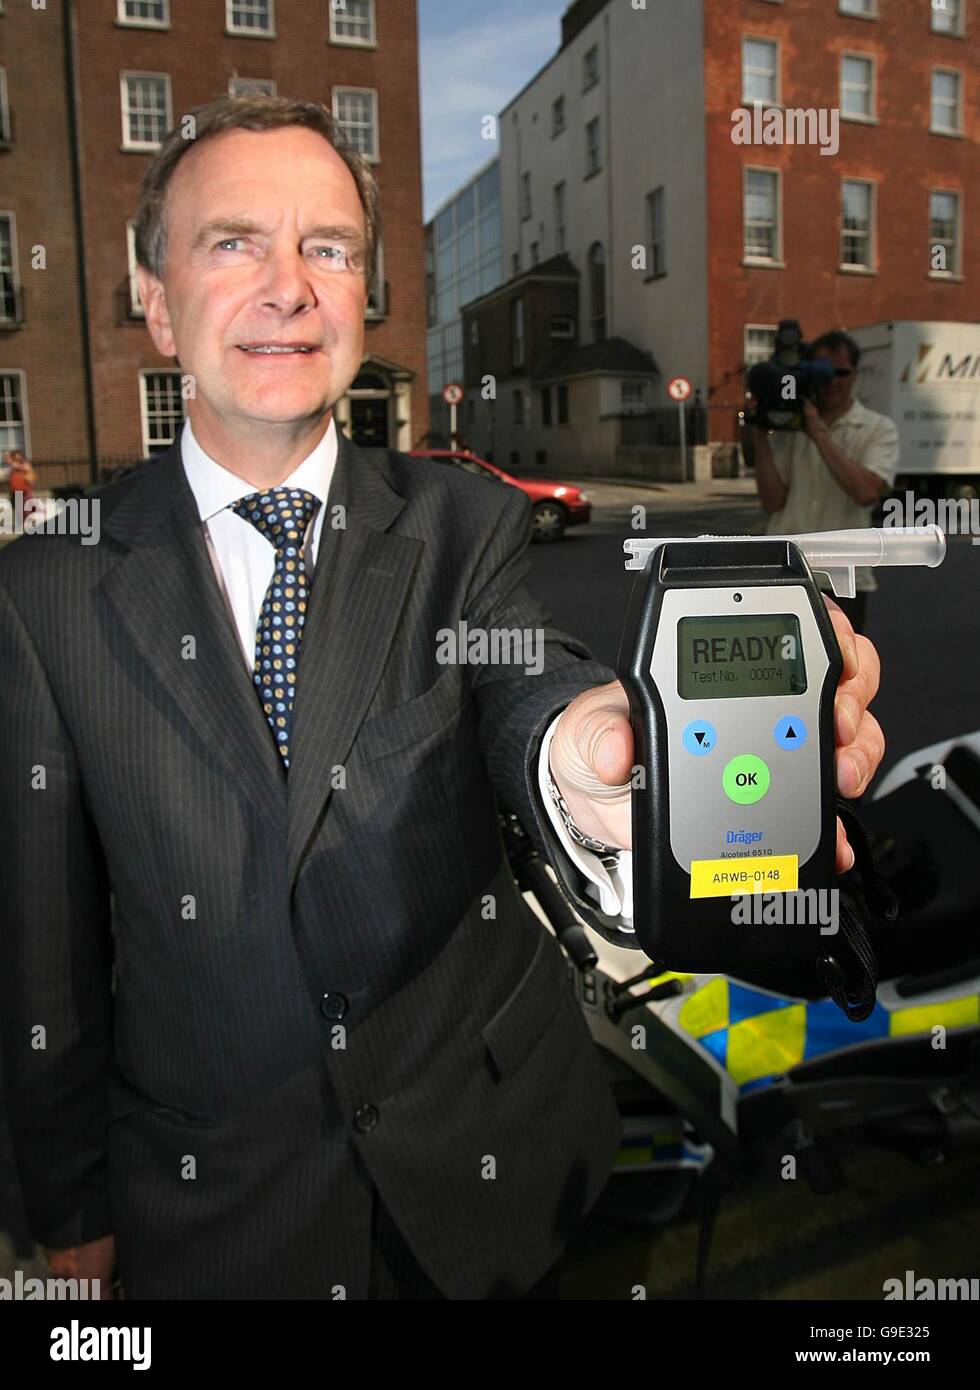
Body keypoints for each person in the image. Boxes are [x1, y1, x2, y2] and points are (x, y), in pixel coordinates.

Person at [0, 98, 885, 1301]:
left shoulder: (462, 519)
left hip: (489, 1182)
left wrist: (595, 754)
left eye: (327, 247)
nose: (288, 286)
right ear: (154, 300)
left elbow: (528, 683)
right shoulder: (50, 582)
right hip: (219, 1211)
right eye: (233, 243)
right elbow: (45, 949)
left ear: (364, 295)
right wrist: (70, 1211)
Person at [751, 329, 899, 634]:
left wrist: (818, 434)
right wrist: (758, 431)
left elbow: (867, 491)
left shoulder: (877, 428)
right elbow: (772, 500)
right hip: (786, 572)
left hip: (844, 579)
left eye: (841, 371)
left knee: (843, 674)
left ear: (856, 374)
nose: (832, 380)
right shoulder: (791, 428)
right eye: (823, 371)